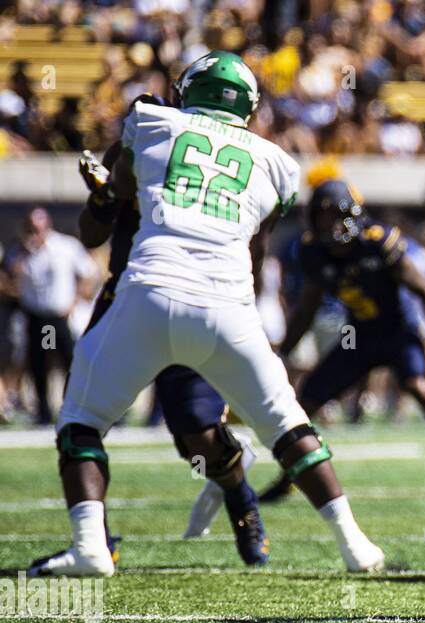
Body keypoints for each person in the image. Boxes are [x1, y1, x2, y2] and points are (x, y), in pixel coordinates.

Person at [33, 51, 383, 577]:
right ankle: (355, 544)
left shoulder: (151, 121)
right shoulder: (274, 161)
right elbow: (256, 247)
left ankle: (90, 547)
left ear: (187, 91)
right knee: (287, 424)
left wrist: (109, 190)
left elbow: (114, 198)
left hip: (147, 290)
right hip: (227, 304)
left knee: (81, 422)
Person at [32, 129, 269, 573]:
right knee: (81, 416)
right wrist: (106, 199)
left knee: (198, 435)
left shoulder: (221, 159)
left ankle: (241, 499)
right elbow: (90, 235)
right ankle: (93, 542)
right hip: (128, 298)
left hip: (196, 298)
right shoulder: (141, 142)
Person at [258, 178, 425, 502]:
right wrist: (284, 350)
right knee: (305, 401)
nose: (328, 223)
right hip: (359, 337)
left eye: (332, 215)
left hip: (398, 332)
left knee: (419, 388)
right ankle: (289, 477)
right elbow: (308, 305)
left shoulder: (377, 241)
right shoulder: (313, 250)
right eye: (322, 216)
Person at [7, 207, 98, 425]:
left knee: (69, 361)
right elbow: (12, 277)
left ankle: (79, 406)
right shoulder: (21, 251)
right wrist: (25, 253)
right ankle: (44, 411)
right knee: (40, 364)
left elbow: (88, 273)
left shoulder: (65, 246)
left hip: (58, 318)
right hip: (36, 317)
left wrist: (75, 299)